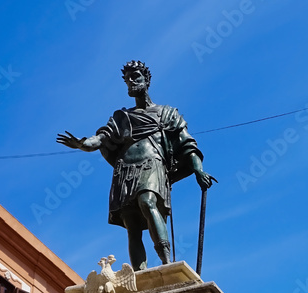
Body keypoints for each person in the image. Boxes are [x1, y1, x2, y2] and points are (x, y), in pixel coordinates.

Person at [57, 61, 213, 271]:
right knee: (132, 225)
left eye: (136, 76)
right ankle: (139, 274)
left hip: (152, 164)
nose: (131, 81)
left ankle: (167, 263)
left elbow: (187, 144)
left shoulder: (166, 113)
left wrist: (198, 169)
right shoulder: (121, 117)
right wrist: (82, 144)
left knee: (147, 201)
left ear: (147, 80)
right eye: (127, 79)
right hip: (125, 170)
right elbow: (101, 139)